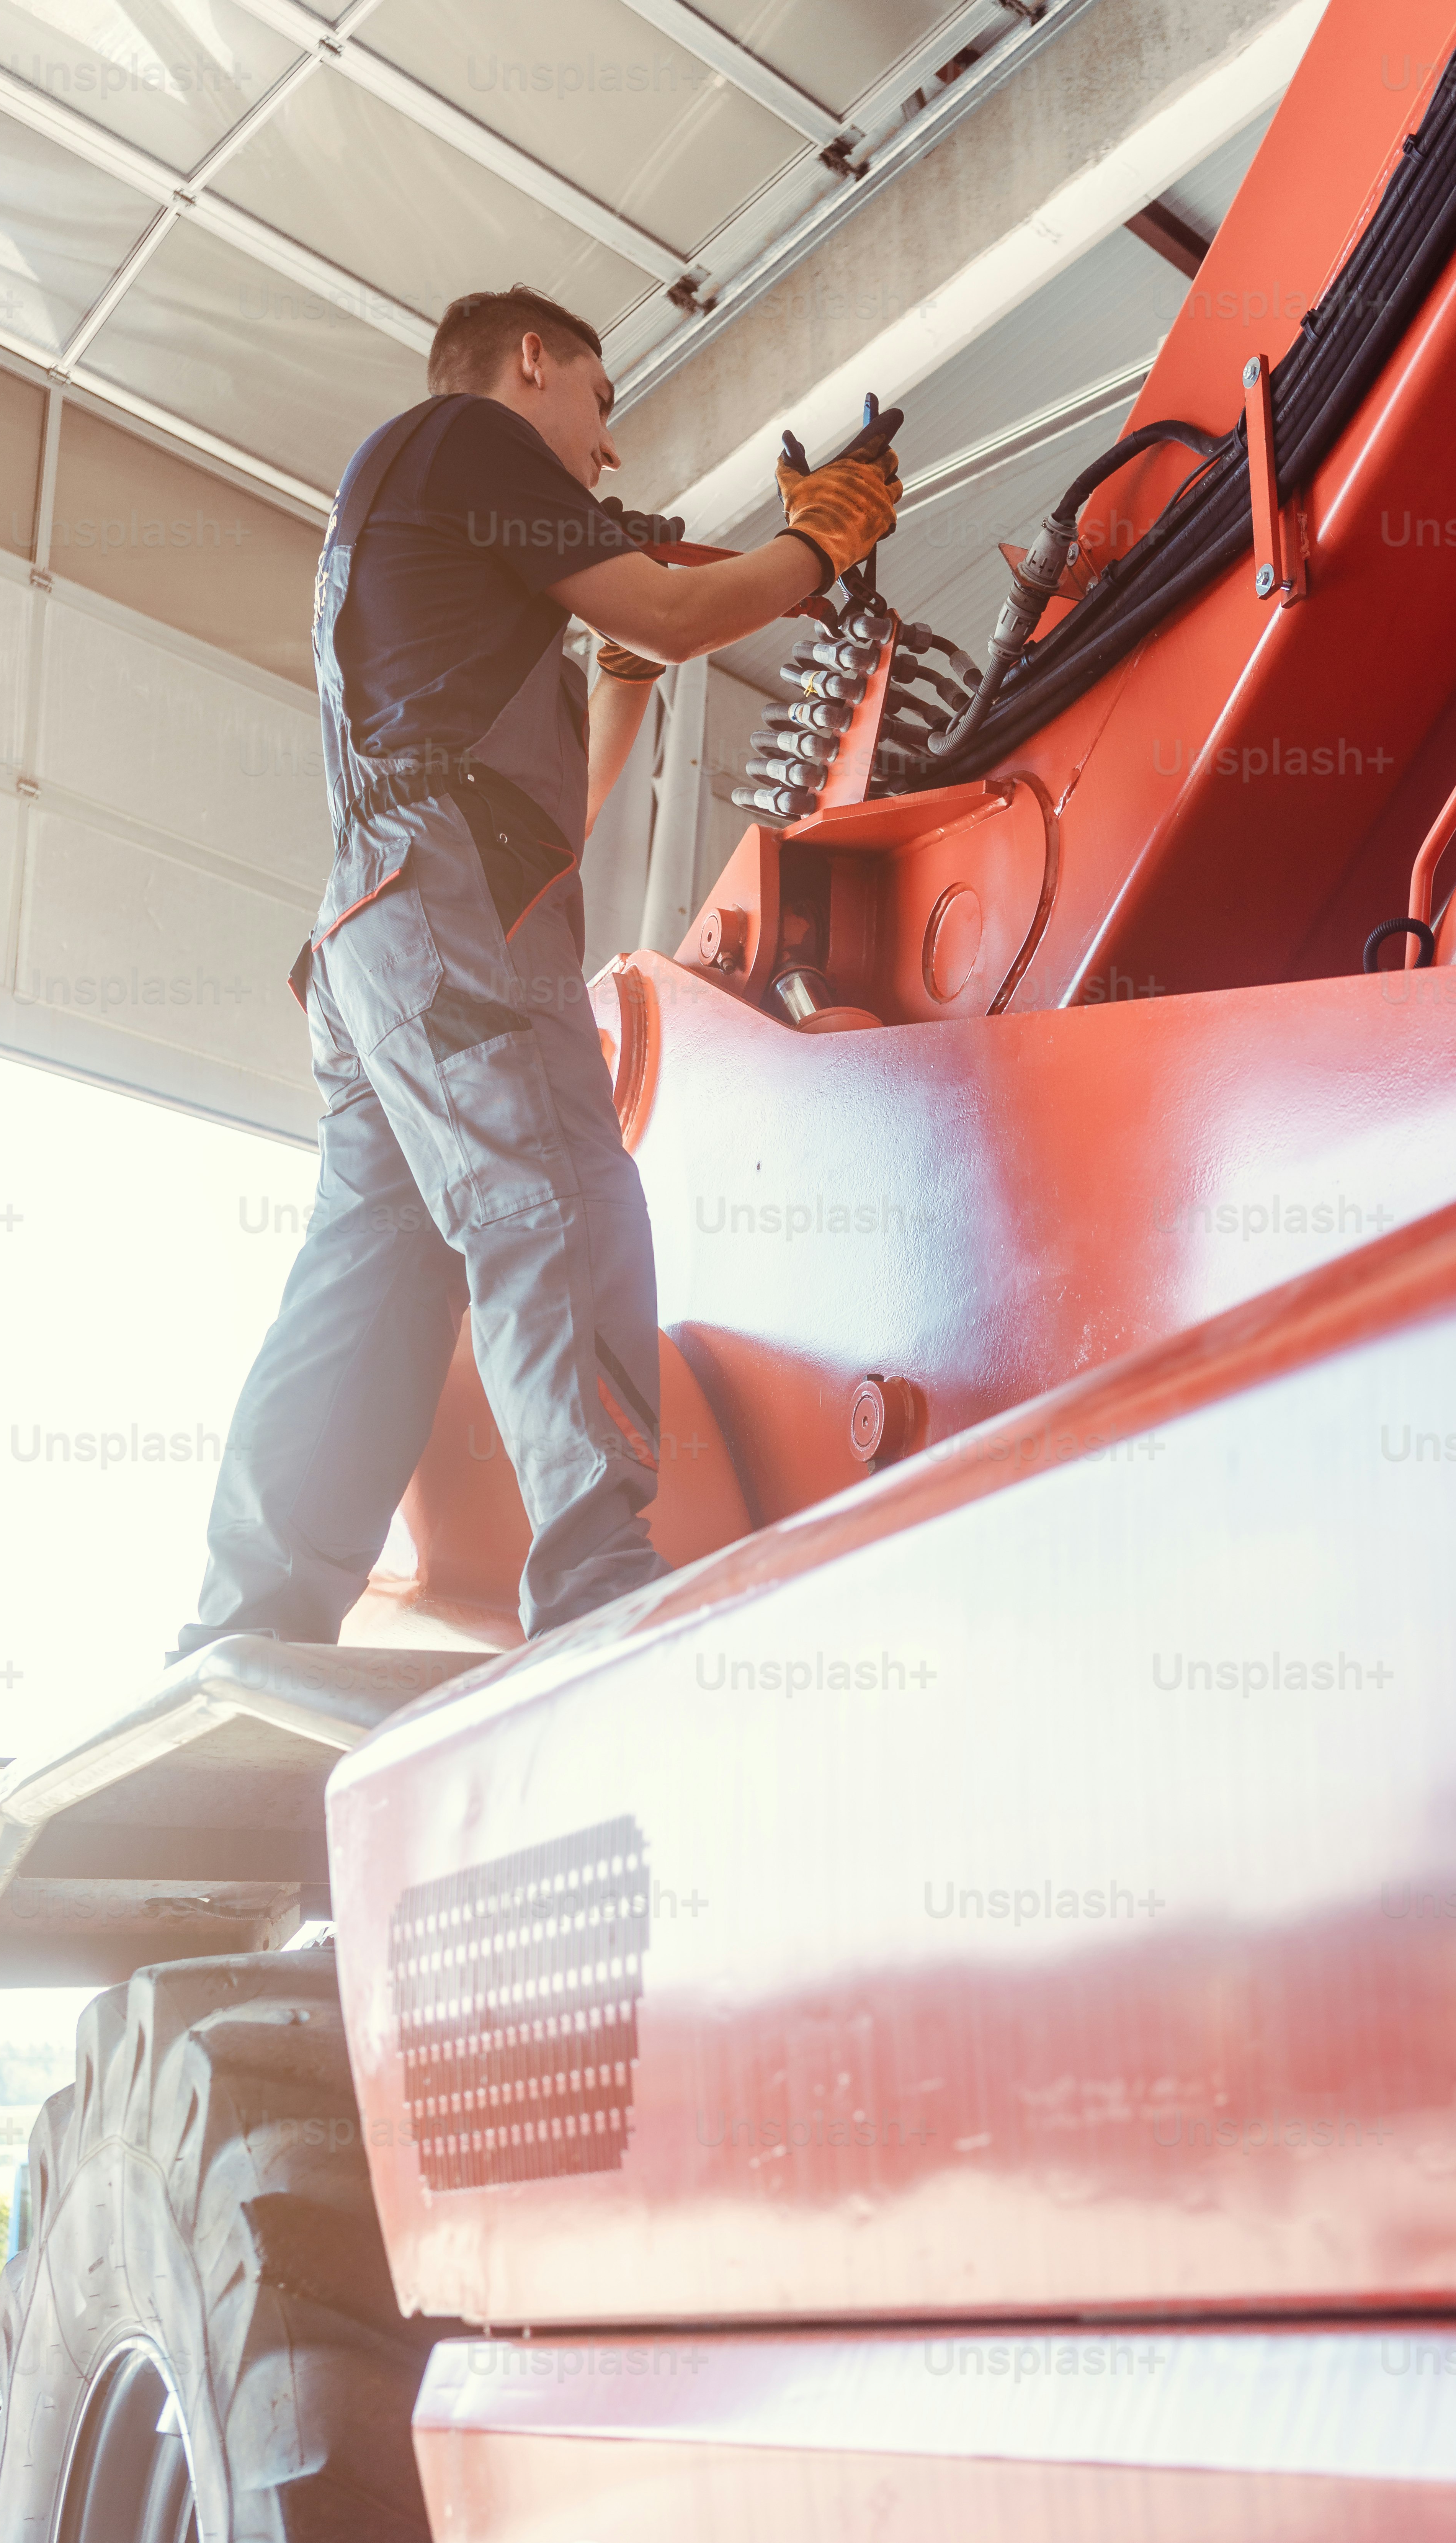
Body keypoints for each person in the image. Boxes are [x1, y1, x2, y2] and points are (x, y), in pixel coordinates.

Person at [176, 283, 900, 1655]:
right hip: (443, 909)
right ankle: (591, 1587)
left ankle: (249, 1633)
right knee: (557, 1203)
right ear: (528, 363)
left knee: (376, 1275)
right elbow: (686, 618)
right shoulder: (461, 436)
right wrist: (820, 542)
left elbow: (561, 816)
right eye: (601, 401)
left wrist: (618, 669)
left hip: (382, 937)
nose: (607, 450)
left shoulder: (418, 538)